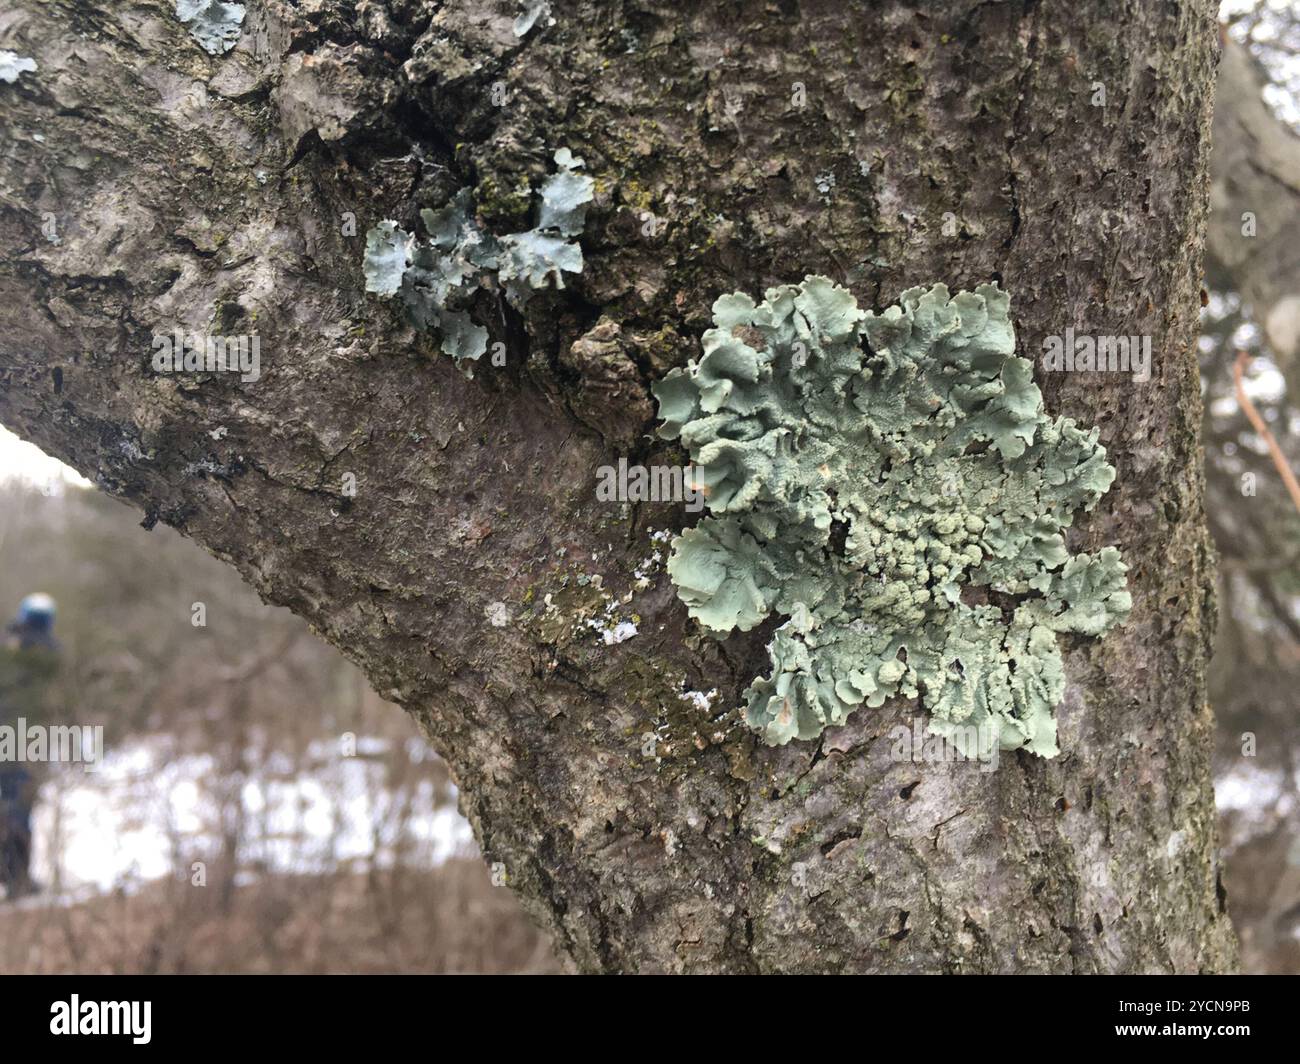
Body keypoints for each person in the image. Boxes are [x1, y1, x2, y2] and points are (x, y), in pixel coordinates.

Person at [0, 593, 60, 898]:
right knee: (19, 810)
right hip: (25, 743)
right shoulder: (49, 652)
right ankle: (16, 879)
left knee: (12, 809)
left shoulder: (7, 644)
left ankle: (13, 877)